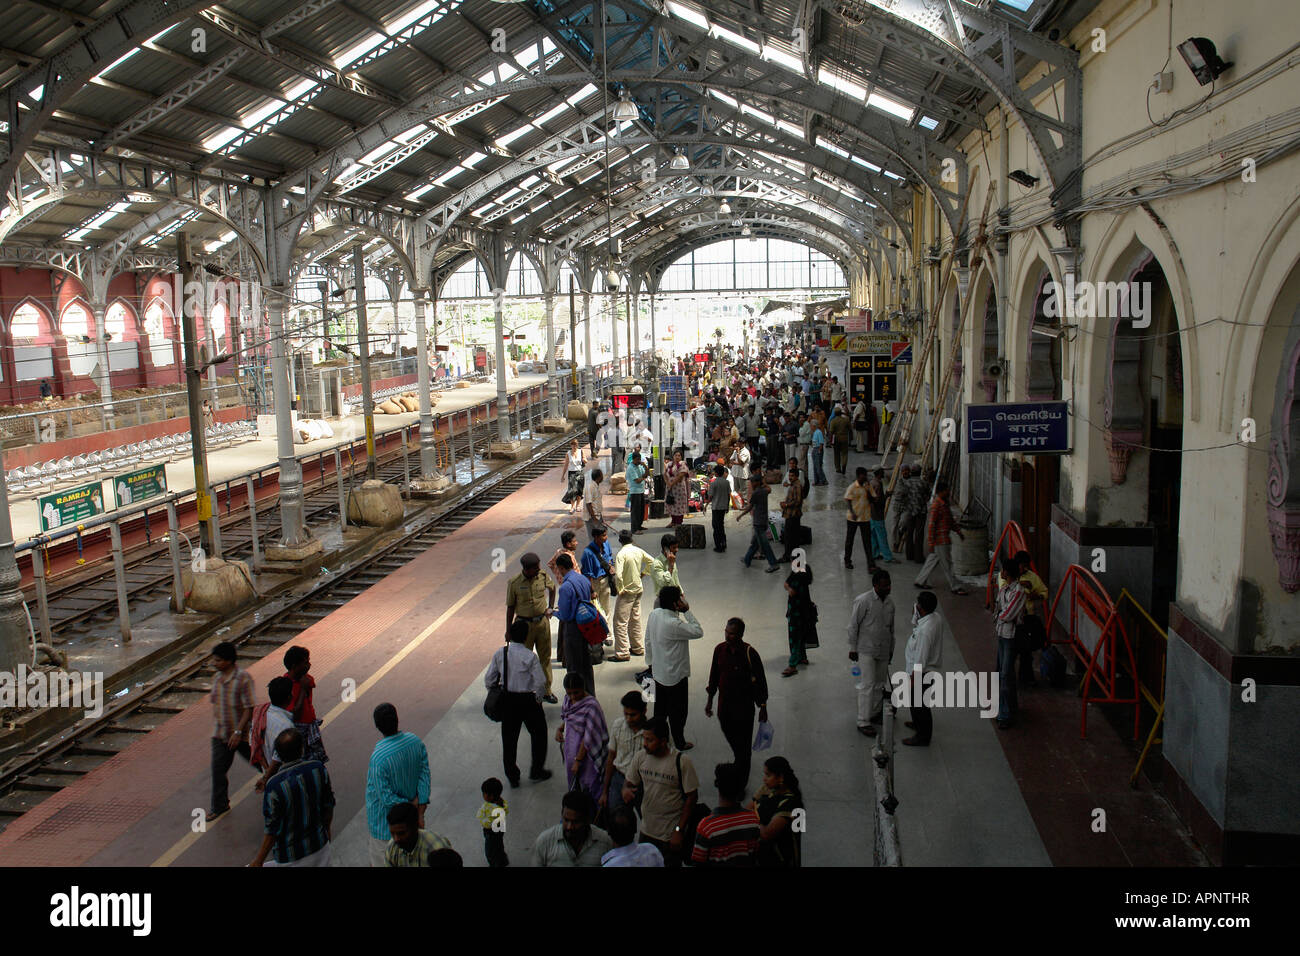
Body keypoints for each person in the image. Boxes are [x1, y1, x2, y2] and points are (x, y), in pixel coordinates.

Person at [249, 728, 335, 867]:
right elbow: (328, 805)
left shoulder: (274, 786)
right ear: (302, 748)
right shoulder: (318, 769)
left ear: (278, 755)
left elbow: (272, 829)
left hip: (289, 855)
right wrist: (327, 831)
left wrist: (258, 860)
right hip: (319, 845)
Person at [621, 716, 699, 867]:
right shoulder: (641, 757)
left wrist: (679, 830)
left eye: (650, 740)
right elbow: (629, 782)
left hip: (669, 836)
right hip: (646, 831)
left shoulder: (682, 762)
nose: (645, 744)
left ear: (663, 741)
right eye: (644, 739)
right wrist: (625, 789)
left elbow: (691, 798)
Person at [487, 620, 553, 787]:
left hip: (508, 700)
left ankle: (512, 776)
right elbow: (540, 682)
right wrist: (538, 700)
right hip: (528, 701)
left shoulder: (500, 653)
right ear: (526, 637)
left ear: (510, 635)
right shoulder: (530, 656)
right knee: (539, 734)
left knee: (509, 740)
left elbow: (489, 679)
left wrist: (496, 691)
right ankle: (536, 770)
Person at [363, 702, 431, 866]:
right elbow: (424, 775)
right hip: (411, 823)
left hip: (383, 828)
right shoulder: (415, 742)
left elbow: (386, 799)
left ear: (377, 726)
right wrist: (419, 808)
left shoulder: (378, 758)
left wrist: (410, 806)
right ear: (397, 719)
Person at [704, 618, 768, 783]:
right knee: (734, 740)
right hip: (724, 708)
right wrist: (710, 700)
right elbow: (714, 677)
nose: (728, 635)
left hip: (744, 710)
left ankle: (741, 781)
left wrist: (763, 706)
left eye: (732, 633)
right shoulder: (719, 650)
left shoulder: (750, 653)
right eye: (726, 631)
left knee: (744, 747)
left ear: (740, 635)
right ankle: (739, 760)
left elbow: (760, 681)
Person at [645, 585, 703, 751]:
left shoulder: (654, 615)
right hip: (675, 677)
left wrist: (649, 662)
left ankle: (656, 738)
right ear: (675, 603)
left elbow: (647, 640)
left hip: (658, 673)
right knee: (678, 713)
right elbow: (698, 631)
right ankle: (679, 741)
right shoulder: (674, 624)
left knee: (660, 711)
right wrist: (687, 611)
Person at [207, 641, 253, 822]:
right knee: (218, 770)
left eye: (218, 660)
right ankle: (219, 806)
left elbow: (249, 708)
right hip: (220, 735)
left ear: (228, 661)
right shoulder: (217, 679)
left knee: (259, 762)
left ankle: (275, 782)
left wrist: (238, 732)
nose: (215, 663)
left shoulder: (243, 679)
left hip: (241, 736)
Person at [847, 570, 896, 737]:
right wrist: (853, 648)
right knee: (867, 684)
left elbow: (891, 629)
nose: (887, 588)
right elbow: (853, 625)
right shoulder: (863, 601)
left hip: (883, 650)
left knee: (879, 684)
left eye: (889, 585)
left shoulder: (890, 604)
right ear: (875, 585)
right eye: (884, 586)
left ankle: (874, 714)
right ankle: (863, 721)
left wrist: (891, 651)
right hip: (865, 649)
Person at [506, 553, 557, 703]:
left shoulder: (542, 576)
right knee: (524, 660)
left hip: (542, 623)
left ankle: (547, 691)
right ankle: (526, 691)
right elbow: (510, 608)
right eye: (536, 567)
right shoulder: (514, 583)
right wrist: (508, 631)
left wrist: (550, 607)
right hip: (523, 626)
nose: (539, 569)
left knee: (545, 657)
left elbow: (552, 589)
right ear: (527, 569)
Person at [690, 762, 761, 866]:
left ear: (717, 785)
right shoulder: (753, 820)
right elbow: (755, 853)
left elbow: (698, 862)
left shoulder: (707, 826)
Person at [903, 590, 948, 746]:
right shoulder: (935, 618)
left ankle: (923, 736)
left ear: (921, 607)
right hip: (925, 671)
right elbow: (917, 623)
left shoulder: (925, 632)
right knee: (916, 702)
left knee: (920, 704)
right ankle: (917, 724)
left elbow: (921, 658)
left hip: (922, 673)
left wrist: (914, 677)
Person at [557, 671, 609, 802]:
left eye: (576, 693)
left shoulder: (592, 707)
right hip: (571, 750)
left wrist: (578, 760)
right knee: (575, 786)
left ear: (583, 688)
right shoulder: (568, 700)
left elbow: (589, 738)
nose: (573, 697)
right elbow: (568, 717)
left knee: (591, 786)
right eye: (569, 693)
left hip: (587, 756)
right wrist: (560, 728)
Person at [532, 790, 614, 866]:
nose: (569, 827)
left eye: (575, 822)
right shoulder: (545, 842)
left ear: (587, 820)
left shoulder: (605, 843)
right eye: (566, 820)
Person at [915, 480, 969, 594]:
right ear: (942, 491)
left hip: (942, 539)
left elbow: (949, 521)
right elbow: (931, 524)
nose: (948, 492)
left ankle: (920, 580)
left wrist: (958, 532)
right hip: (940, 540)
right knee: (947, 564)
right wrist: (930, 542)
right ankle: (955, 587)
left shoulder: (944, 504)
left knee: (933, 559)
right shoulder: (937, 505)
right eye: (946, 490)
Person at [748, 756, 803, 867]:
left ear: (781, 777)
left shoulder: (792, 803)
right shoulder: (768, 789)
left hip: (780, 859)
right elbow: (748, 808)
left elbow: (766, 834)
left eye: (768, 775)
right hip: (763, 855)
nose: (764, 779)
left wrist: (754, 820)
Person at [599, 690, 647, 818]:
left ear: (644, 711)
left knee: (649, 823)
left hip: (644, 783)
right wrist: (605, 792)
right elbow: (611, 758)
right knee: (617, 822)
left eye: (633, 715)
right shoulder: (618, 726)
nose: (628, 719)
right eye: (626, 714)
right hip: (619, 779)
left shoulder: (652, 733)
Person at [555, 552, 595, 694]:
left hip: (573, 629)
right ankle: (590, 694)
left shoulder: (566, 587)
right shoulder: (583, 579)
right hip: (586, 627)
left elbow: (565, 615)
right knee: (586, 664)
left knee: (573, 667)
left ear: (560, 567)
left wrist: (552, 612)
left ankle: (576, 700)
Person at [994, 556, 1026, 729]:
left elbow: (1007, 614)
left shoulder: (1018, 591)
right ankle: (1009, 707)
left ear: (1008, 572)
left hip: (1011, 636)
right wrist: (1000, 616)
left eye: (1004, 569)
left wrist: (999, 617)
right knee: (1003, 673)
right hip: (1002, 634)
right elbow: (1000, 610)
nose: (1002, 572)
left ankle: (1005, 714)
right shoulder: (1005, 589)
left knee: (1005, 674)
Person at [611, 529, 653, 661]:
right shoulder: (638, 550)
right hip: (638, 589)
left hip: (627, 592)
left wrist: (620, 588)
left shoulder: (621, 554)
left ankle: (622, 652)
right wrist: (643, 573)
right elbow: (652, 561)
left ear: (620, 541)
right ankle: (637, 647)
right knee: (635, 619)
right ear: (631, 539)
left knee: (620, 622)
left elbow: (618, 575)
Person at [281, 646, 327, 764]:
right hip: (298, 731)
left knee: (317, 761)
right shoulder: (286, 686)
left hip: (309, 725)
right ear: (294, 666)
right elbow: (293, 715)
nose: (309, 665)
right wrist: (302, 689)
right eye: (305, 662)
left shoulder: (306, 679)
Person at [1013, 550, 1049, 685]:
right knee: (1010, 650)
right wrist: (1022, 585)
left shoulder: (1032, 577)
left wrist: (1035, 596)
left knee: (1026, 650)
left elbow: (1044, 592)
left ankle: (1026, 678)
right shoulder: (1007, 575)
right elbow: (1004, 588)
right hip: (1012, 619)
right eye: (1023, 565)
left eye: (1027, 566)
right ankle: (1005, 677)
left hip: (1027, 618)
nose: (1026, 568)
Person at [254, 676, 296, 791]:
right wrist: (267, 778)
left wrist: (266, 773)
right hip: (286, 778)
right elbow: (277, 758)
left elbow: (256, 744)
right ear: (289, 697)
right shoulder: (287, 727)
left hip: (270, 775)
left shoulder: (260, 714)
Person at [384, 800, 453, 867]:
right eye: (392, 833)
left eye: (401, 833)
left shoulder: (437, 849)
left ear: (416, 827)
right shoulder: (392, 849)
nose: (396, 839)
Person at [736, 473, 780, 572]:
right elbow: (769, 489)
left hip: (758, 522)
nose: (751, 484)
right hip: (763, 520)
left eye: (752, 482)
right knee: (755, 543)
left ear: (756, 483)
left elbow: (750, 507)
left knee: (764, 545)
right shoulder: (764, 491)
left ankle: (773, 564)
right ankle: (747, 559)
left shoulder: (756, 493)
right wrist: (764, 483)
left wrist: (740, 515)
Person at [782, 570, 816, 677]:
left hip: (798, 613)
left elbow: (791, 590)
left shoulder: (799, 575)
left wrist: (789, 588)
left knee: (795, 638)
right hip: (800, 612)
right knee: (800, 636)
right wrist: (788, 587)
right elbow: (786, 584)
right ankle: (802, 657)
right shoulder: (799, 571)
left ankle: (792, 665)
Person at [843, 467, 878, 572]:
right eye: (864, 475)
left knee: (867, 542)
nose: (865, 477)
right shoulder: (852, 487)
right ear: (858, 476)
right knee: (850, 540)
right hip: (852, 519)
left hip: (865, 518)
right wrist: (853, 513)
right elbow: (848, 500)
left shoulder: (868, 486)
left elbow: (873, 499)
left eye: (866, 475)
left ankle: (871, 564)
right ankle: (847, 560)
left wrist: (868, 491)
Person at [478, 777, 509, 867]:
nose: (483, 795)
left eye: (484, 794)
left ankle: (494, 863)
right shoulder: (501, 802)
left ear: (491, 796)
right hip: (500, 828)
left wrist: (481, 817)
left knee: (490, 851)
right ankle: (503, 860)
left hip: (491, 831)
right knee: (499, 844)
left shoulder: (492, 808)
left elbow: (487, 824)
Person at [867, 470, 896, 564]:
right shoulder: (878, 484)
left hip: (871, 514)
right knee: (882, 536)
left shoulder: (871, 482)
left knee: (874, 536)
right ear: (879, 473)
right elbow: (878, 501)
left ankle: (874, 554)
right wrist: (887, 495)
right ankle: (888, 557)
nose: (884, 473)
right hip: (877, 515)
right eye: (882, 471)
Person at [778, 458, 804, 563]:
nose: (790, 478)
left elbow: (797, 501)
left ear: (797, 476)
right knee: (792, 537)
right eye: (789, 476)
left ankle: (788, 556)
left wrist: (786, 504)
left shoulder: (797, 486)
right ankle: (793, 556)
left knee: (790, 537)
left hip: (793, 515)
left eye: (792, 476)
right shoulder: (793, 485)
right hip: (791, 514)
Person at [650, 533, 681, 609]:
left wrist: (681, 592)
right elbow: (664, 583)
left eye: (677, 547)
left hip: (673, 601)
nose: (677, 550)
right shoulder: (657, 564)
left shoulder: (671, 560)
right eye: (674, 548)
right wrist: (670, 565)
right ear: (665, 549)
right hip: (663, 603)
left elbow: (675, 579)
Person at [707, 464, 731, 552]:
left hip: (716, 507)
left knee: (716, 526)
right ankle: (723, 543)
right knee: (721, 525)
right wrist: (727, 506)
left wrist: (706, 505)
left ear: (716, 473)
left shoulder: (713, 483)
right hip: (723, 507)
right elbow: (729, 495)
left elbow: (710, 496)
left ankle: (718, 546)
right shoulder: (726, 482)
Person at [663, 449, 690, 527]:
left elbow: (680, 476)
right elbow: (664, 473)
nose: (677, 457)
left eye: (679, 455)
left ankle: (678, 523)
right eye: (676, 455)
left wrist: (671, 483)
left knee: (679, 505)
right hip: (670, 488)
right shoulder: (669, 464)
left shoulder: (683, 464)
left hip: (679, 488)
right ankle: (673, 521)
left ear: (681, 457)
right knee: (671, 504)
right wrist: (668, 483)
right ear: (673, 456)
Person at [626, 451, 649, 535]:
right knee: (635, 511)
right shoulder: (631, 468)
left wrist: (645, 466)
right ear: (634, 459)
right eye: (637, 460)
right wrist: (643, 477)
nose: (639, 461)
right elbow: (637, 480)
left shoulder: (639, 466)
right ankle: (634, 529)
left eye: (639, 459)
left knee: (641, 510)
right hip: (635, 491)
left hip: (641, 491)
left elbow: (646, 474)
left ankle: (639, 525)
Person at [563, 439, 586, 515]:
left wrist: (584, 460)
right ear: (571, 445)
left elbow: (585, 459)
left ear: (577, 445)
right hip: (572, 473)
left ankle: (578, 505)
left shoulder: (581, 451)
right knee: (572, 490)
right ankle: (572, 507)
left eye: (575, 445)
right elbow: (566, 465)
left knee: (579, 489)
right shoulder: (568, 453)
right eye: (573, 445)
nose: (574, 446)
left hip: (580, 472)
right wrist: (563, 475)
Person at [582, 468, 605, 541]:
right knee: (594, 538)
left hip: (597, 516)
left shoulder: (596, 486)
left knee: (599, 536)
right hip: (591, 518)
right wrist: (594, 518)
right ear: (599, 477)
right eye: (602, 475)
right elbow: (588, 503)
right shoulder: (590, 487)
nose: (603, 477)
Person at [829, 404, 852, 475]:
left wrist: (830, 441)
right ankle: (844, 465)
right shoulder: (846, 419)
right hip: (845, 438)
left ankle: (838, 468)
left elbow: (831, 432)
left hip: (837, 439)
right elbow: (850, 429)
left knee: (836, 454)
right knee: (844, 453)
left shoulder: (833, 421)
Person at [809, 417, 828, 485]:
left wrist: (819, 450)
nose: (810, 427)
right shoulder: (814, 432)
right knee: (815, 466)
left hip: (818, 449)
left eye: (811, 426)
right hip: (814, 449)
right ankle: (816, 480)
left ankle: (822, 480)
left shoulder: (819, 432)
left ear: (814, 426)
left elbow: (821, 443)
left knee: (818, 466)